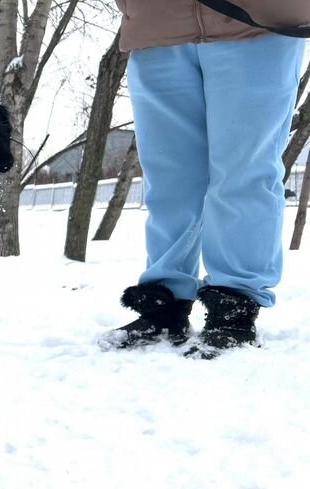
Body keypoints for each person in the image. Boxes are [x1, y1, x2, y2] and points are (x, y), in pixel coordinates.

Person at [102, 0, 309, 357]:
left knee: (246, 172)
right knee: (168, 180)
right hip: (157, 24)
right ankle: (165, 300)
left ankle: (235, 303)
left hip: (259, 20)